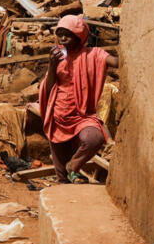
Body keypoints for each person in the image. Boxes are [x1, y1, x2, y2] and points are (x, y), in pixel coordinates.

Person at [39, 14, 119, 182]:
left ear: (79, 36)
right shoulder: (58, 56)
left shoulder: (93, 54)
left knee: (94, 138)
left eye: (67, 34)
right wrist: (52, 66)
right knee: (61, 172)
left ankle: (74, 165)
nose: (63, 38)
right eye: (60, 34)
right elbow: (48, 88)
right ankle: (65, 192)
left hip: (82, 115)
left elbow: (115, 62)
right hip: (59, 114)